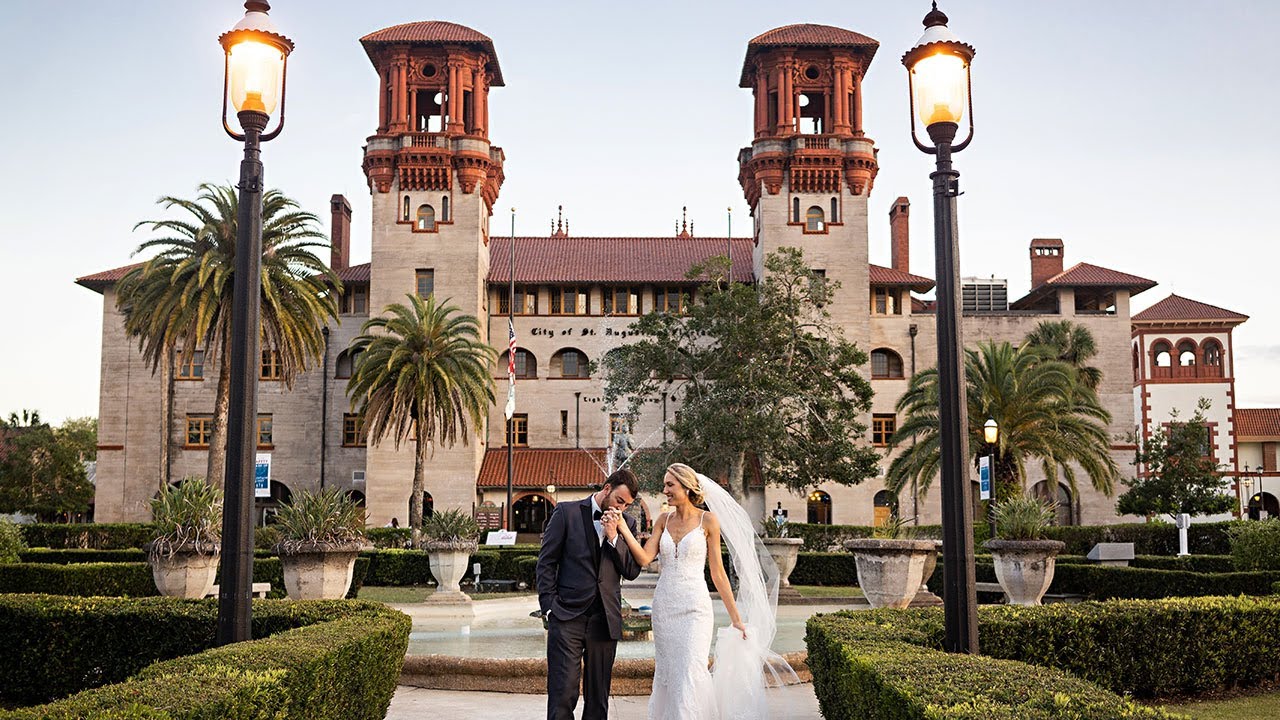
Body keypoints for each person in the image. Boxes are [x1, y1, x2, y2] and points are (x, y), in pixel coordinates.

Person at [615, 463, 797, 720]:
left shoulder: (708, 520)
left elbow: (718, 573)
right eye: (665, 484)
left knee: (691, 668)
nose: (664, 489)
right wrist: (622, 528)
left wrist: (736, 619)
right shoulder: (663, 520)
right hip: (664, 606)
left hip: (695, 608)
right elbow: (645, 558)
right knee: (668, 672)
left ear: (687, 487)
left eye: (670, 484)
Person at [536, 469, 642, 720]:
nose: (622, 508)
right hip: (566, 616)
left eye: (627, 504)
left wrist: (615, 536)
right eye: (619, 501)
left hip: (605, 619)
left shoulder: (628, 524)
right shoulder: (566, 512)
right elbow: (546, 562)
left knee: (598, 697)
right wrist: (549, 606)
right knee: (563, 691)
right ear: (606, 489)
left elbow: (631, 571)